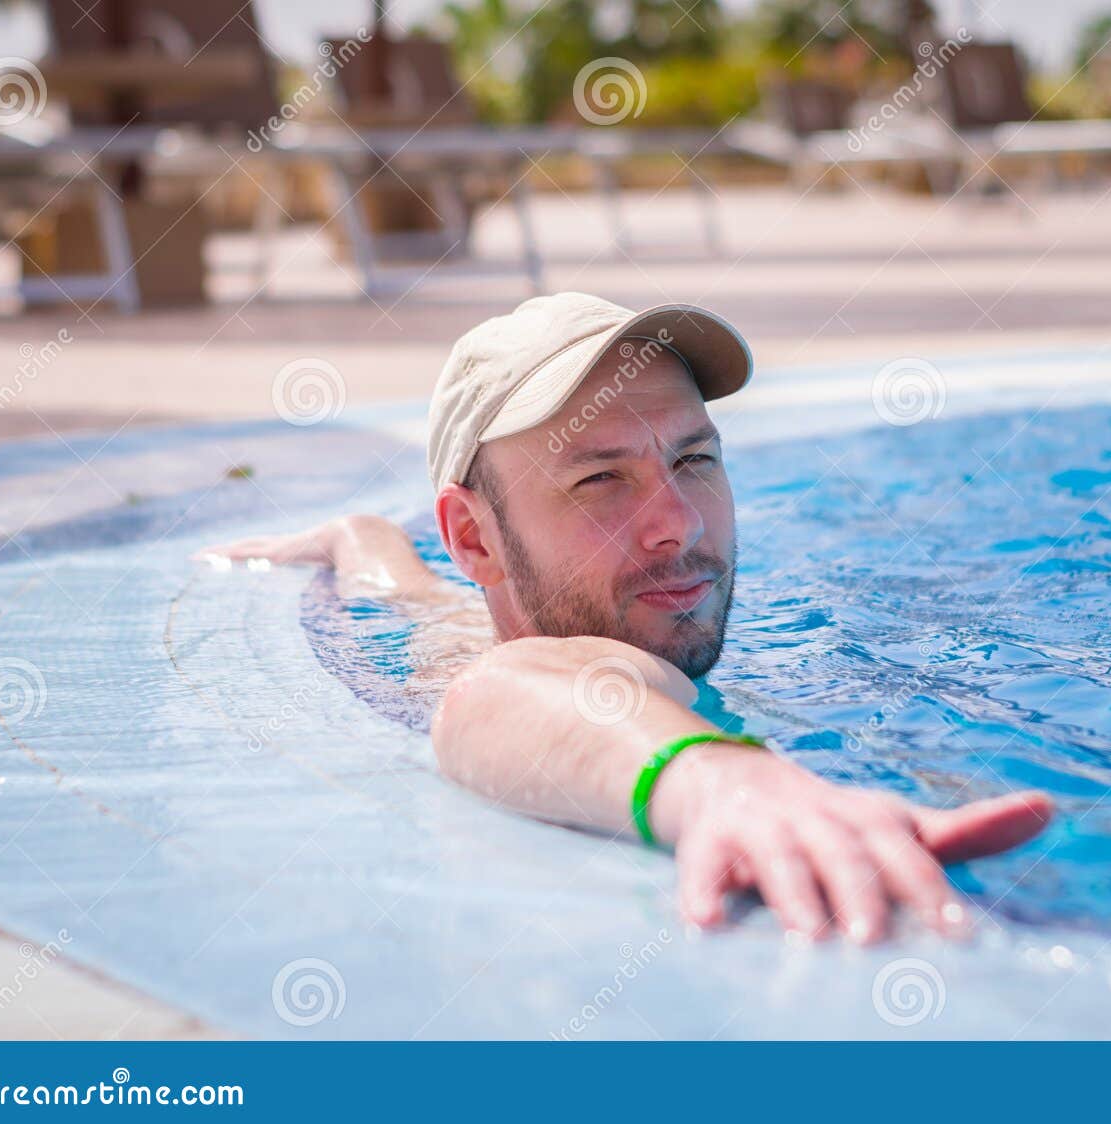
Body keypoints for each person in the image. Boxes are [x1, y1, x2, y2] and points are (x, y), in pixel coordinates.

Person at [199, 292, 1053, 944]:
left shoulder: (439, 609)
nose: (677, 524)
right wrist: (718, 782)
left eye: (694, 458)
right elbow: (500, 690)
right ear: (474, 539)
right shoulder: (497, 670)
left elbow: (388, 567)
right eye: (601, 479)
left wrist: (350, 533)